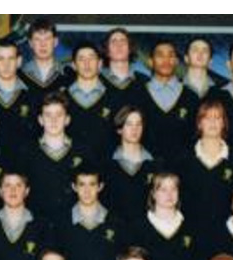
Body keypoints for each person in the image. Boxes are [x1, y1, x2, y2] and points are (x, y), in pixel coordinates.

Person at [60, 165, 129, 260]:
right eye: (81, 184)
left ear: (100, 187)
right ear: (74, 187)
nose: (87, 191)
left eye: (92, 184)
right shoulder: (62, 222)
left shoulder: (117, 222)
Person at [129, 172, 202, 260]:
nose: (169, 194)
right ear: (153, 194)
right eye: (163, 189)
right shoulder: (137, 228)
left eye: (173, 189)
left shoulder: (193, 227)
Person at [175, 98, 233, 234]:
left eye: (217, 118)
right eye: (207, 118)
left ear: (223, 124)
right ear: (199, 124)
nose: (213, 123)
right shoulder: (184, 158)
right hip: (191, 232)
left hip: (227, 234)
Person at [21, 91, 90, 223]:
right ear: (40, 120)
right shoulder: (27, 152)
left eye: (59, 115)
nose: (53, 120)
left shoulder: (83, 151)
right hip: (37, 223)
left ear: (67, 119)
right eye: (48, 115)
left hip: (73, 224)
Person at [139, 40, 197, 161]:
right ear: (150, 62)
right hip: (146, 168)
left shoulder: (191, 97)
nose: (166, 61)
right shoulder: (136, 94)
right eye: (160, 55)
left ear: (176, 61)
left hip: (182, 169)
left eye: (171, 55)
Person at [102, 105, 159, 226]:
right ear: (119, 129)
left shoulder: (155, 163)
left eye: (139, 124)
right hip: (115, 229)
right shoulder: (106, 163)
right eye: (129, 124)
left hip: (147, 230)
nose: (135, 129)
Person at [64, 41, 118, 156]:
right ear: (73, 65)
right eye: (81, 59)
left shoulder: (115, 97)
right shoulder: (62, 98)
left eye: (91, 58)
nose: (87, 64)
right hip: (70, 165)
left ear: (99, 64)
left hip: (105, 165)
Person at [20, 18, 69, 92]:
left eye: (47, 39)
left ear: (55, 42)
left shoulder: (67, 75)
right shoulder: (20, 76)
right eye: (37, 39)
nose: (43, 44)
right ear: (30, 43)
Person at [182, 37, 229, 101]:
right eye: (195, 50)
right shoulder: (176, 88)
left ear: (210, 61)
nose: (200, 54)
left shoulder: (222, 90)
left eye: (205, 51)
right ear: (186, 58)